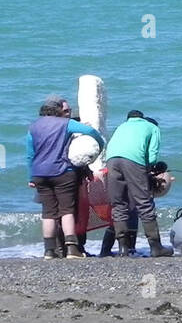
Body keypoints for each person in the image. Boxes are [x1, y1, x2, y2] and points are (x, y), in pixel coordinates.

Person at [27, 94, 105, 259]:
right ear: (57, 110)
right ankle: (72, 249)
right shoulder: (66, 124)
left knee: (48, 213)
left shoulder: (33, 127)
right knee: (67, 211)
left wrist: (31, 177)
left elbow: (30, 154)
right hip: (62, 171)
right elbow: (90, 130)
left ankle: (49, 251)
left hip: (40, 173)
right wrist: (100, 143)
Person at [104, 109, 167, 257]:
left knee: (118, 204)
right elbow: (152, 157)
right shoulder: (152, 127)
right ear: (143, 118)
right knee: (144, 202)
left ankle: (123, 248)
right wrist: (148, 171)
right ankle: (156, 247)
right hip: (132, 160)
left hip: (111, 159)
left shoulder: (122, 126)